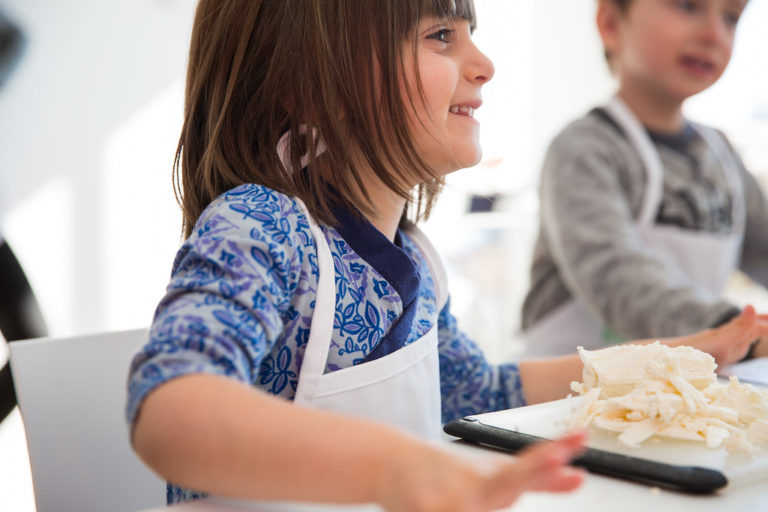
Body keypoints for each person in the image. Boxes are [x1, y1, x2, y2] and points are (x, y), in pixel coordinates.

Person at [127, 1, 767, 509]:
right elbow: (169, 406)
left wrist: (676, 357)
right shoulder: (261, 226)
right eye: (440, 35)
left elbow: (479, 389)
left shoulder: (416, 259)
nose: (483, 61)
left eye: (471, 31)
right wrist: (395, 467)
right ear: (306, 79)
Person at [520, 0, 768, 358]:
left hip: (679, 390)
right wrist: (737, 333)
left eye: (730, 18)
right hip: (567, 397)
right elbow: (616, 277)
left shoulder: (721, 155)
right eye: (687, 6)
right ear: (610, 22)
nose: (713, 34)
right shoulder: (583, 149)